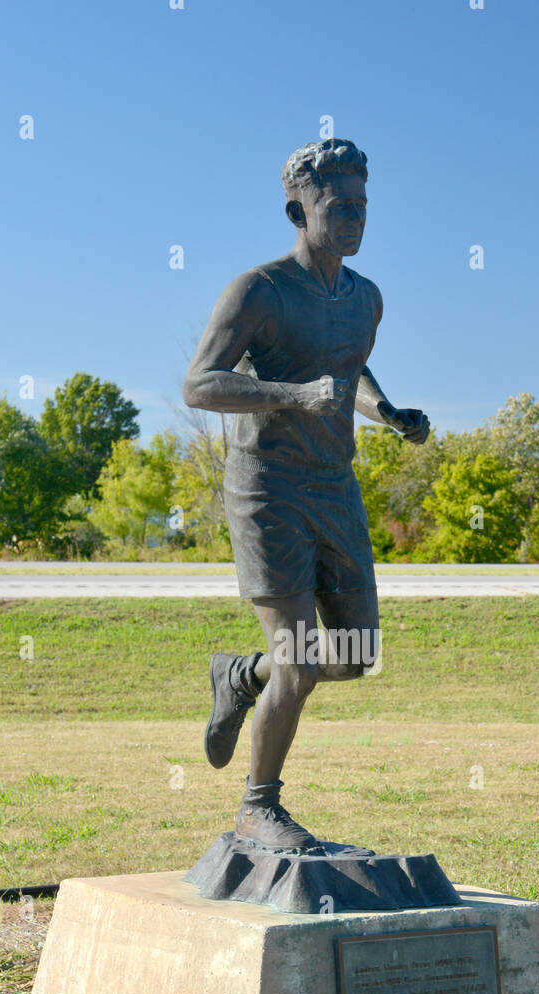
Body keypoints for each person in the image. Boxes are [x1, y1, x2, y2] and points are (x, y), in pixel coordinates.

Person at [183, 137, 430, 851]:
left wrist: (387, 414)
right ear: (299, 209)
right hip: (268, 489)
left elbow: (351, 369)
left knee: (353, 654)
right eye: (336, 205)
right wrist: (293, 394)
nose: (353, 218)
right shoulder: (257, 290)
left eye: (362, 206)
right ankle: (259, 808)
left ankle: (240, 676)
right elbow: (200, 383)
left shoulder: (366, 297)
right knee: (299, 660)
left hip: (335, 486)